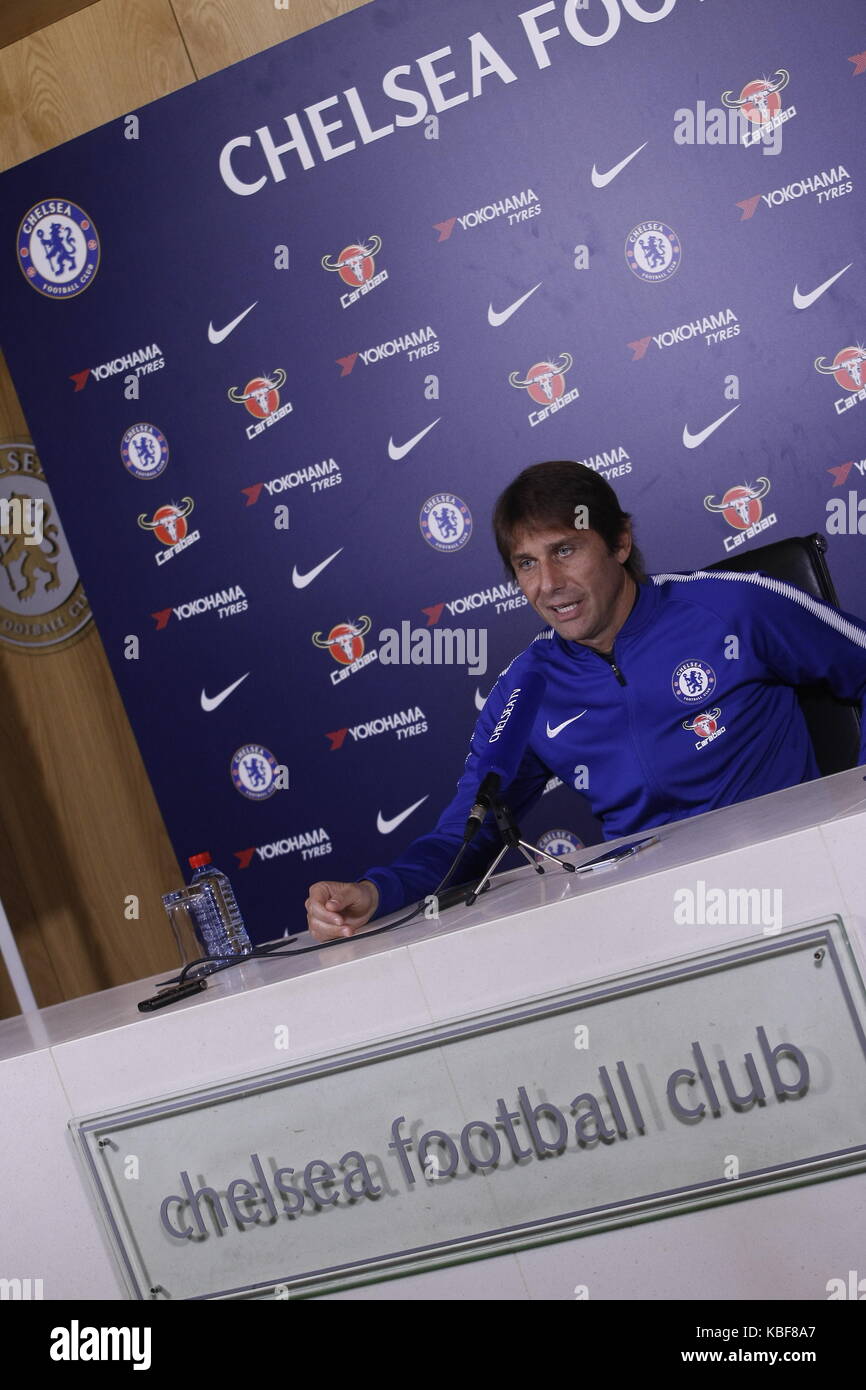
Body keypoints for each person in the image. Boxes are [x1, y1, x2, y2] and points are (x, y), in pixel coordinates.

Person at [306, 460, 866, 941]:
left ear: (620, 542)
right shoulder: (527, 688)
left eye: (565, 550)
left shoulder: (734, 608)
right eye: (527, 563)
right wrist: (374, 892)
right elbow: (465, 836)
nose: (548, 583)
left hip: (800, 888)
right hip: (660, 924)